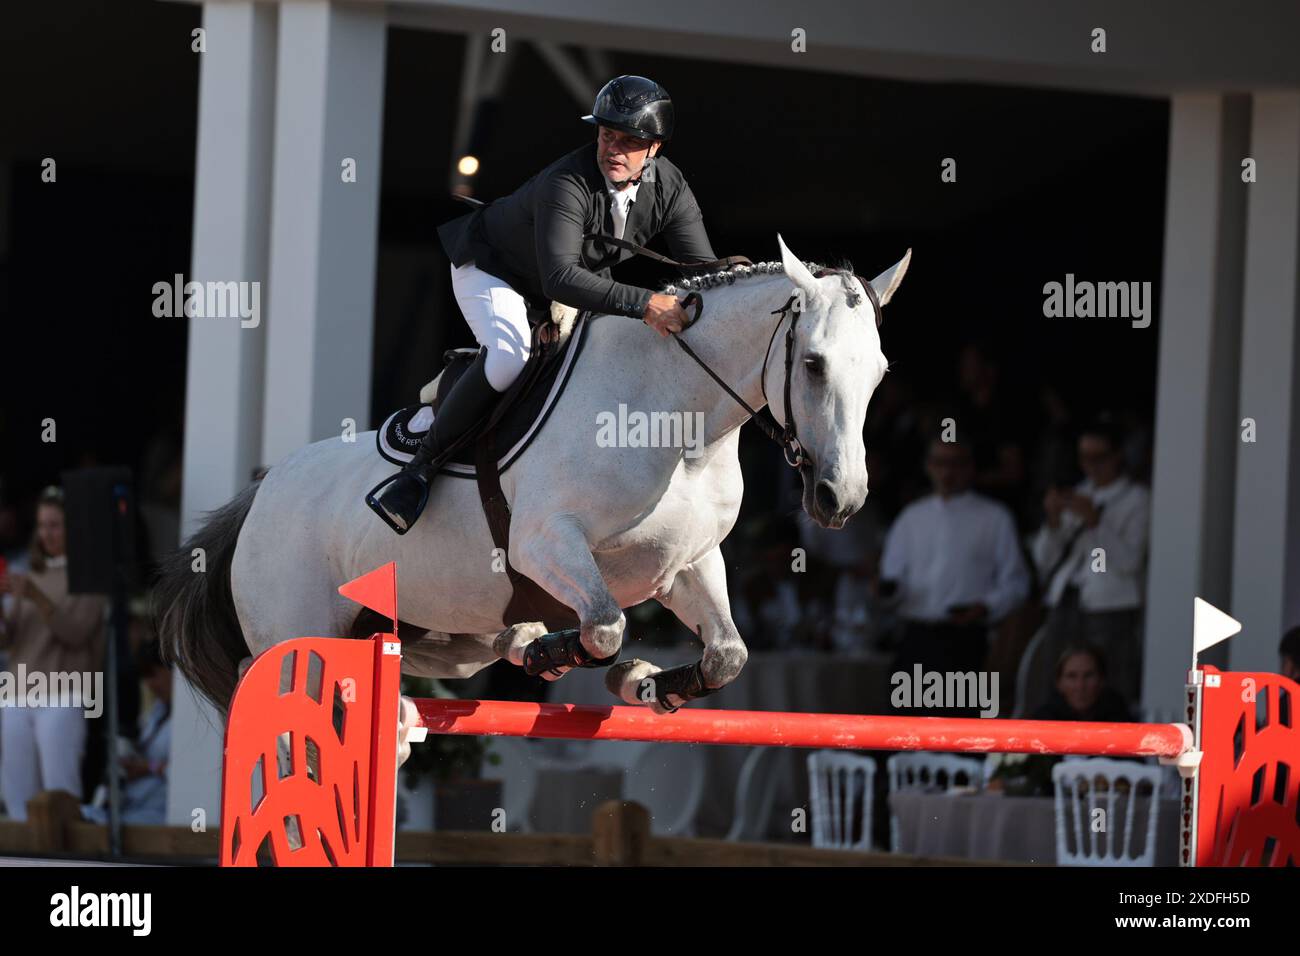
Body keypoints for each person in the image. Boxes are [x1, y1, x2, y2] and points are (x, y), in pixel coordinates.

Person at [369, 75, 717, 533]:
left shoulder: (670, 187)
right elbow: (560, 279)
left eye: (628, 140)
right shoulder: (567, 181)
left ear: (655, 148)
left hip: (566, 278)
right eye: (606, 134)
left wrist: (758, 285)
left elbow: (706, 272)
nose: (613, 148)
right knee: (511, 357)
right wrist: (646, 302)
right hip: (494, 269)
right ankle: (418, 470)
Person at [878, 438, 1030, 715]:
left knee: (962, 736)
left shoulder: (994, 517)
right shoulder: (911, 518)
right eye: (940, 463)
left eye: (955, 464)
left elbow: (1017, 583)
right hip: (916, 640)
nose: (947, 472)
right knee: (904, 735)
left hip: (967, 642)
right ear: (928, 467)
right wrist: (886, 592)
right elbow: (891, 580)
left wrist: (986, 606)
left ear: (970, 467)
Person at [0, 487, 106, 821]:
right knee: (16, 795)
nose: (47, 533)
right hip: (16, 692)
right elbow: (9, 639)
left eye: (55, 525)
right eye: (43, 525)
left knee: (60, 792)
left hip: (63, 692)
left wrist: (36, 596)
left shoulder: (89, 577)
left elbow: (75, 633)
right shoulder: (31, 572)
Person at [1032, 418, 1150, 705]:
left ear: (1117, 456)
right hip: (1066, 598)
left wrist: (1097, 522)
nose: (1091, 465)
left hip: (1111, 603)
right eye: (1084, 457)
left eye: (1099, 457)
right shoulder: (1079, 493)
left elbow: (1129, 561)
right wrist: (1053, 521)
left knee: (1106, 684)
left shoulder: (1137, 498)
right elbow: (1044, 561)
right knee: (1058, 679)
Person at [82, 640, 171, 826]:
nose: (149, 684)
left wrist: (148, 767)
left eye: (153, 674)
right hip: (135, 802)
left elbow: (192, 773)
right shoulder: (156, 711)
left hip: (165, 810)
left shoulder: (189, 721)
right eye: (144, 677)